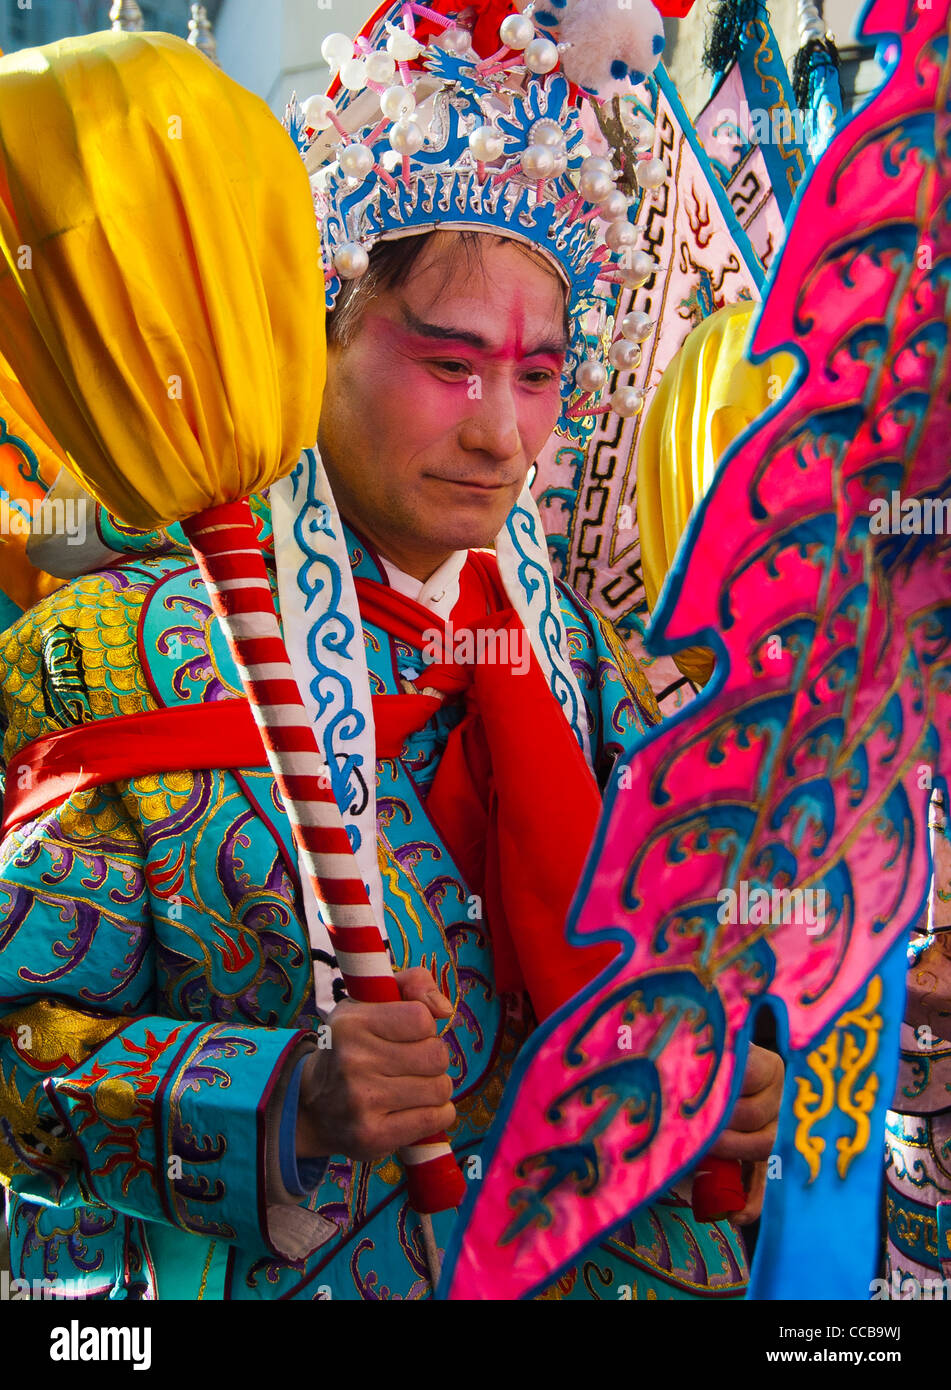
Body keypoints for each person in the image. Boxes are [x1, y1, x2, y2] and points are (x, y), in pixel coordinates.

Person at [0, 10, 783, 1302]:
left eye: (536, 373)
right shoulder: (102, 660)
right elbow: (19, 1057)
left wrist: (729, 1060)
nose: (500, 434)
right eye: (446, 361)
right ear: (324, 335)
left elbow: (697, 949)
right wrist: (278, 1095)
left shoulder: (592, 669)